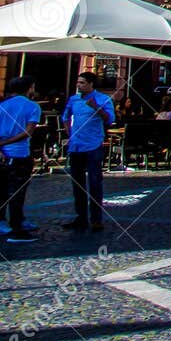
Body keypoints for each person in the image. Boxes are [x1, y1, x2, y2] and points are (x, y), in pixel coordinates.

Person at [61, 73, 116, 232]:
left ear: (91, 84)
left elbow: (109, 119)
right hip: (76, 146)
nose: (78, 85)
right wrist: (69, 133)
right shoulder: (74, 99)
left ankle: (96, 219)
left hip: (93, 145)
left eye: (82, 83)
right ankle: (81, 217)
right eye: (78, 82)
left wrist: (96, 108)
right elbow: (65, 117)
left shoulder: (102, 99)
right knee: (77, 184)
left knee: (95, 183)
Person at [0, 76, 41, 242]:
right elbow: (28, 132)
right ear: (29, 88)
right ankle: (17, 227)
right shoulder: (32, 106)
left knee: (2, 190)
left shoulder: (2, 105)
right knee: (17, 191)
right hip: (20, 154)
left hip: (2, 154)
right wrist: (7, 141)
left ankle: (2, 222)